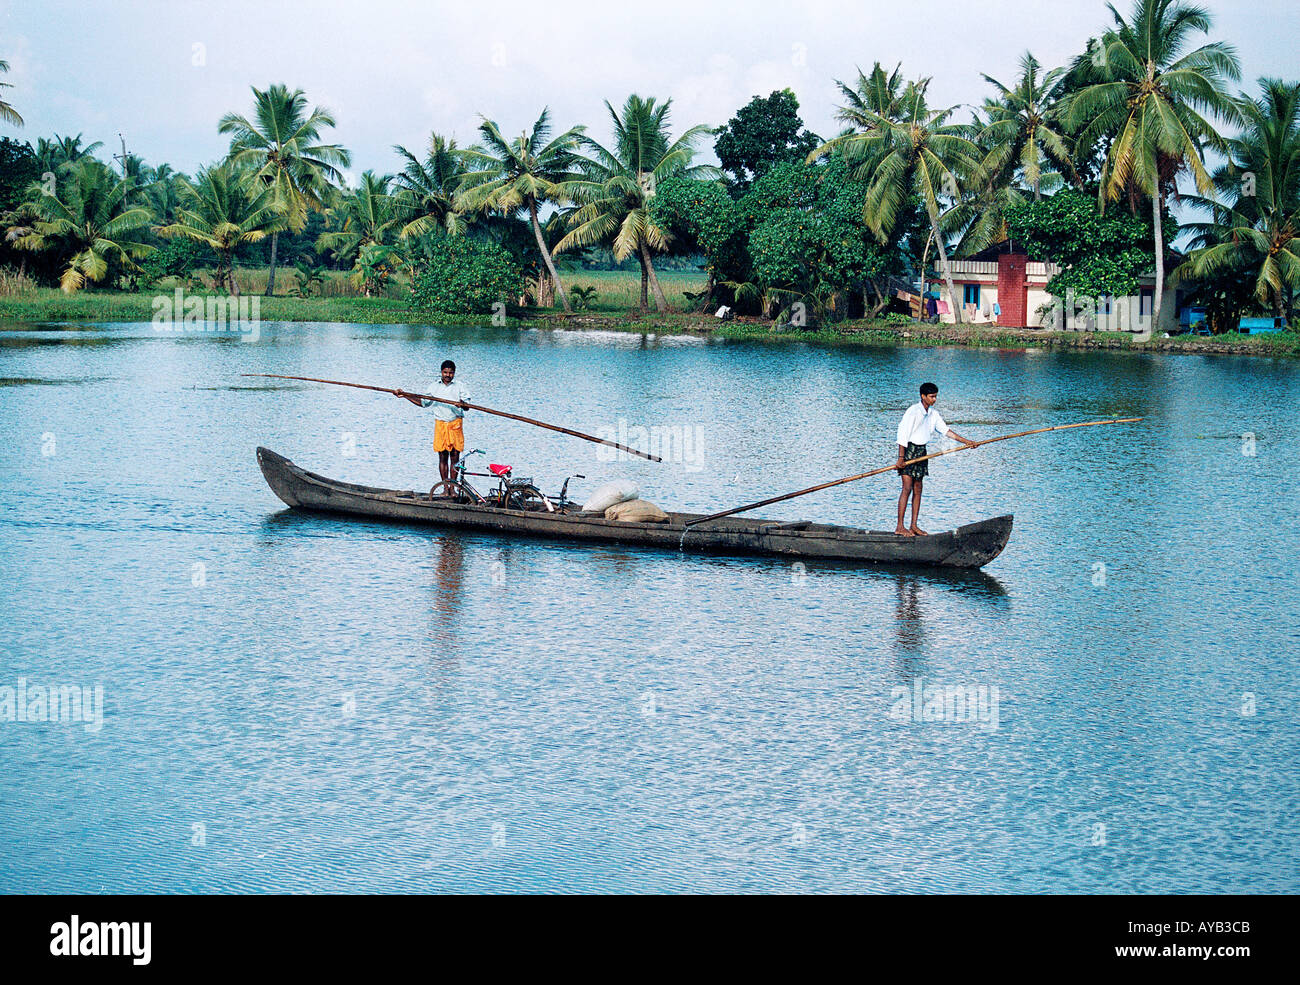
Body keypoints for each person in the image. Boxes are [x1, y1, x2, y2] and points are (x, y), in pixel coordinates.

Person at [895, 382, 977, 537]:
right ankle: (900, 526)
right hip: (909, 451)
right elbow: (902, 435)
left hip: (922, 452)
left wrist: (967, 442)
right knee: (907, 488)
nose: (934, 399)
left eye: (935, 396)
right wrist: (901, 458)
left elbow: (946, 431)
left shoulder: (933, 414)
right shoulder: (913, 411)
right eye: (932, 397)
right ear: (923, 396)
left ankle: (913, 525)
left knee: (918, 488)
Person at [395, 360, 471, 494]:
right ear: (441, 372)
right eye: (445, 372)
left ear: (454, 373)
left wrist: (462, 404)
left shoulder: (460, 387)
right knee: (442, 457)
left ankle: (453, 489)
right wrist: (405, 395)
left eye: (451, 373)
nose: (448, 375)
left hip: (455, 424)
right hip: (440, 424)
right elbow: (423, 403)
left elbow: (467, 407)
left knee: (455, 457)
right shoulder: (434, 387)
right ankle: (445, 488)